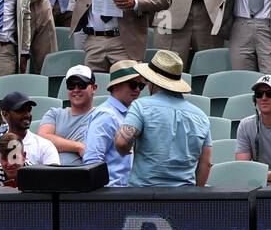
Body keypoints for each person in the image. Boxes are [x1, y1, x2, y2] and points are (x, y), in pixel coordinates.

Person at [115, 50, 214, 187]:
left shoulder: (141, 106)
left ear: (152, 81)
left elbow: (121, 142)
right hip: (183, 198)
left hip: (143, 196)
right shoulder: (201, 116)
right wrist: (195, 194)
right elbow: (206, 163)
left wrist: (124, 150)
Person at [80, 61, 144, 186]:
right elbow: (92, 160)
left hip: (122, 192)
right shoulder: (106, 115)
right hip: (111, 194)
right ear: (116, 85)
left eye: (140, 86)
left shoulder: (124, 113)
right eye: (133, 85)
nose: (137, 90)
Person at [0, 91, 61, 173]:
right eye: (20, 111)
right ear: (5, 114)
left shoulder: (45, 146)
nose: (27, 115)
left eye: (29, 110)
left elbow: (53, 180)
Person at [37, 64, 97, 165]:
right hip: (49, 173)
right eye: (71, 85)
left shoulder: (101, 115)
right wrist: (78, 147)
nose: (76, 89)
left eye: (82, 85)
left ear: (94, 88)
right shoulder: (54, 113)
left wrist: (58, 143)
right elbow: (42, 139)